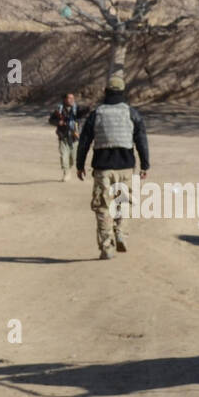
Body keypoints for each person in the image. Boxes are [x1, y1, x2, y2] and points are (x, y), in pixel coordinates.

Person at [76, 74, 150, 259]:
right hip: (126, 167)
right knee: (123, 203)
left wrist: (79, 164)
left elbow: (84, 140)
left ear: (106, 92)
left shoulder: (97, 113)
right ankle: (121, 232)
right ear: (123, 92)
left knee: (102, 207)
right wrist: (145, 164)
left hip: (103, 168)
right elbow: (141, 140)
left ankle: (107, 246)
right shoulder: (132, 113)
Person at [48, 92, 85, 182]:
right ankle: (66, 172)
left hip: (74, 136)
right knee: (64, 156)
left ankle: (69, 168)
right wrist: (58, 123)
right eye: (69, 98)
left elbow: (83, 113)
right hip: (63, 137)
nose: (72, 100)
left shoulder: (77, 109)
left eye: (73, 98)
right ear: (64, 99)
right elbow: (51, 120)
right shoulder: (59, 110)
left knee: (73, 158)